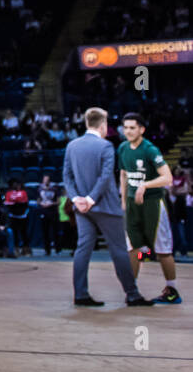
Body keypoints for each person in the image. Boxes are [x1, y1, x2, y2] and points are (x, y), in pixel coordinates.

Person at [62, 107, 149, 308]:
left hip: (82, 208)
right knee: (118, 250)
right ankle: (132, 294)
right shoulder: (106, 147)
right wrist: (91, 199)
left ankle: (81, 294)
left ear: (86, 123)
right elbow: (105, 176)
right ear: (103, 126)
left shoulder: (72, 146)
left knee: (83, 249)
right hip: (106, 206)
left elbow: (67, 176)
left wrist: (76, 199)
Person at [119, 112, 180, 305]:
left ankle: (172, 290)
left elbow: (167, 178)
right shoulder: (122, 148)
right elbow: (123, 174)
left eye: (132, 128)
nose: (128, 131)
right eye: (125, 127)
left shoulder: (150, 150)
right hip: (132, 204)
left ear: (141, 129)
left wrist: (145, 186)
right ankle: (132, 291)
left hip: (153, 203)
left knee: (162, 250)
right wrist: (123, 198)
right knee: (133, 248)